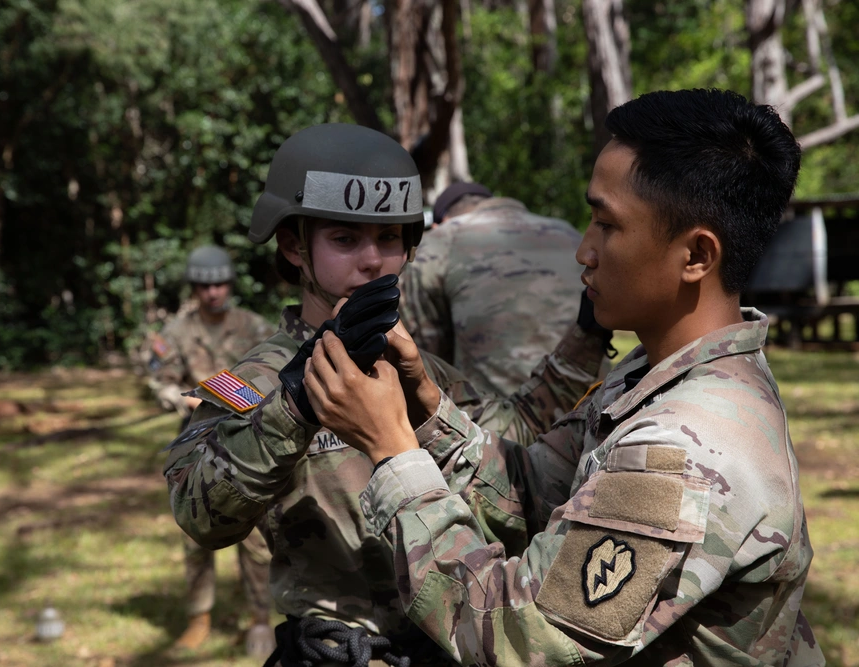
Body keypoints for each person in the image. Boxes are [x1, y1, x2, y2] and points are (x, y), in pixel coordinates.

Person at [303, 89, 825, 665]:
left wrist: (392, 453)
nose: (584, 251)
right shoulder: (654, 378)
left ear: (697, 255)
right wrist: (426, 410)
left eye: (607, 224)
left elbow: (514, 638)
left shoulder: (684, 450)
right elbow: (532, 487)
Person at [163, 123, 609, 667]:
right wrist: (295, 405)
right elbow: (200, 513)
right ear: (293, 245)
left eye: (390, 238)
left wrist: (586, 336)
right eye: (345, 239)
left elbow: (513, 451)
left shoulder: (423, 369)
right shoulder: (257, 381)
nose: (373, 261)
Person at [145, 244, 277, 656]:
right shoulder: (176, 333)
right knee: (196, 533)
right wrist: (179, 396)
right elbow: (157, 379)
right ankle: (198, 618)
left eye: (220, 284)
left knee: (257, 537)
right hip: (198, 445)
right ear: (194, 288)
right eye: (205, 285)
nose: (213, 292)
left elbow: (278, 374)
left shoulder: (256, 326)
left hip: (250, 441)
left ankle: (261, 621)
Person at [400, 182, 596, 396]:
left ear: (440, 224)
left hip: (492, 420)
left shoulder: (439, 243)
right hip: (592, 411)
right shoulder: (569, 233)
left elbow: (426, 364)